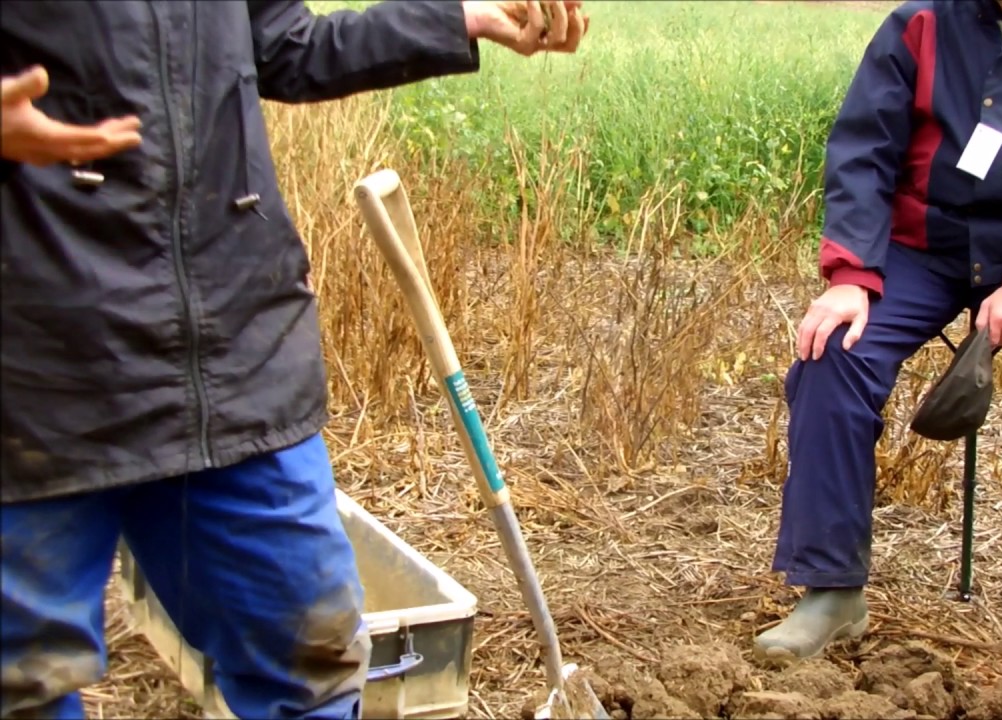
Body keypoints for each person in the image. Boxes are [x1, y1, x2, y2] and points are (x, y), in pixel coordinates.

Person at [0, 2, 587, 718]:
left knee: (310, 672)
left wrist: (461, 17)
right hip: (35, 368)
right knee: (20, 685)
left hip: (237, 357)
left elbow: (286, 42)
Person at [753, 0, 1002, 684]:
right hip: (920, 248)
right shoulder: (919, 25)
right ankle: (833, 592)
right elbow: (862, 151)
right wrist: (850, 276)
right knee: (833, 354)